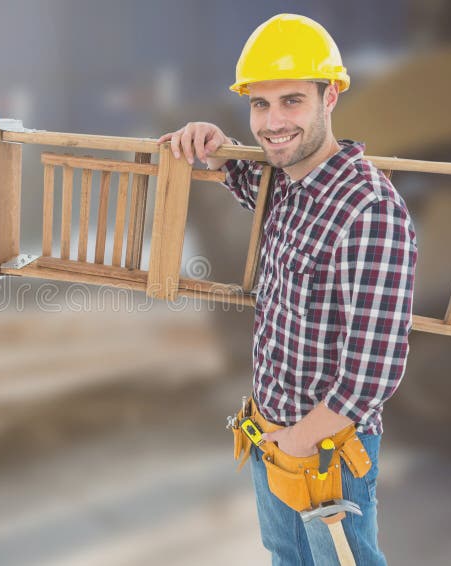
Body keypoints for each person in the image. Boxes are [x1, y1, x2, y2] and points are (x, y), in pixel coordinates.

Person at [157, 14, 417, 566]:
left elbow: (376, 366)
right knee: (286, 559)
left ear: (332, 96)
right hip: (272, 437)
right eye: (260, 104)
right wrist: (215, 144)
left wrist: (302, 440)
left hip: (327, 452)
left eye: (291, 101)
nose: (272, 122)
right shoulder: (290, 186)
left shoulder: (369, 209)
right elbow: (250, 180)